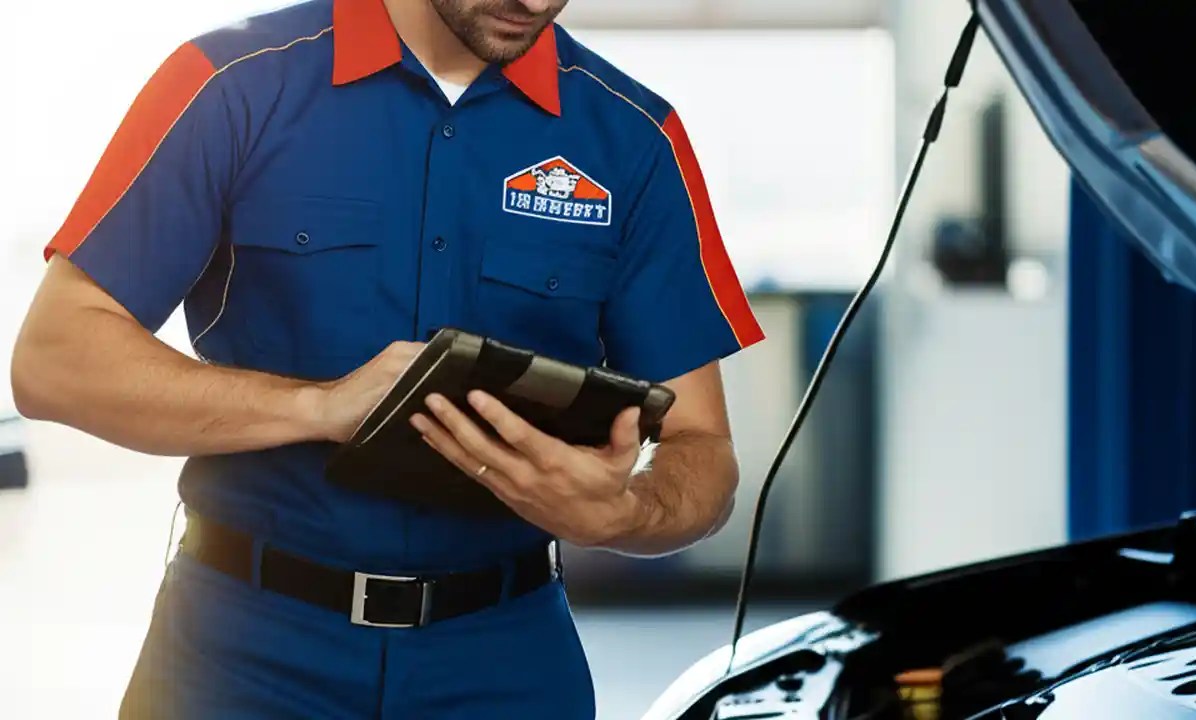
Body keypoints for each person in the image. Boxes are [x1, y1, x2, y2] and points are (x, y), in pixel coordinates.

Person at [10, 0, 765, 716]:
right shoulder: (231, 84)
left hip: (507, 664)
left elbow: (704, 450)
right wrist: (317, 405)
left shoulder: (634, 140)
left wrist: (626, 514)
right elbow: (53, 359)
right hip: (240, 654)